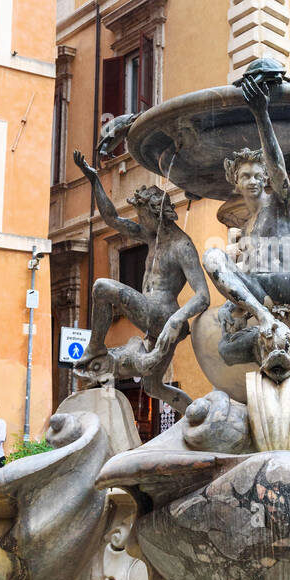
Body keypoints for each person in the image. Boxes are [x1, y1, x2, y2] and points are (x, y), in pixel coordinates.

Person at [203, 67, 290, 396]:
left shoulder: (280, 201)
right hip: (263, 293)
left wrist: (261, 114)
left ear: (265, 179)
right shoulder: (246, 226)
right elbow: (235, 271)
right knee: (213, 259)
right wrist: (235, 308)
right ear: (236, 181)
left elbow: (277, 165)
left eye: (256, 174)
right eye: (244, 175)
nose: (251, 180)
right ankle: (265, 323)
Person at [72, 154, 210, 413]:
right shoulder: (150, 235)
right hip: (155, 321)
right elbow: (112, 220)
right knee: (153, 387)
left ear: (155, 215)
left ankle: (95, 345)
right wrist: (95, 181)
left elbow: (203, 295)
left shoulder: (182, 246)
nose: (139, 221)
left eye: (142, 215)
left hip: (162, 314)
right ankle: (197, 416)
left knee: (102, 287)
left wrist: (175, 320)